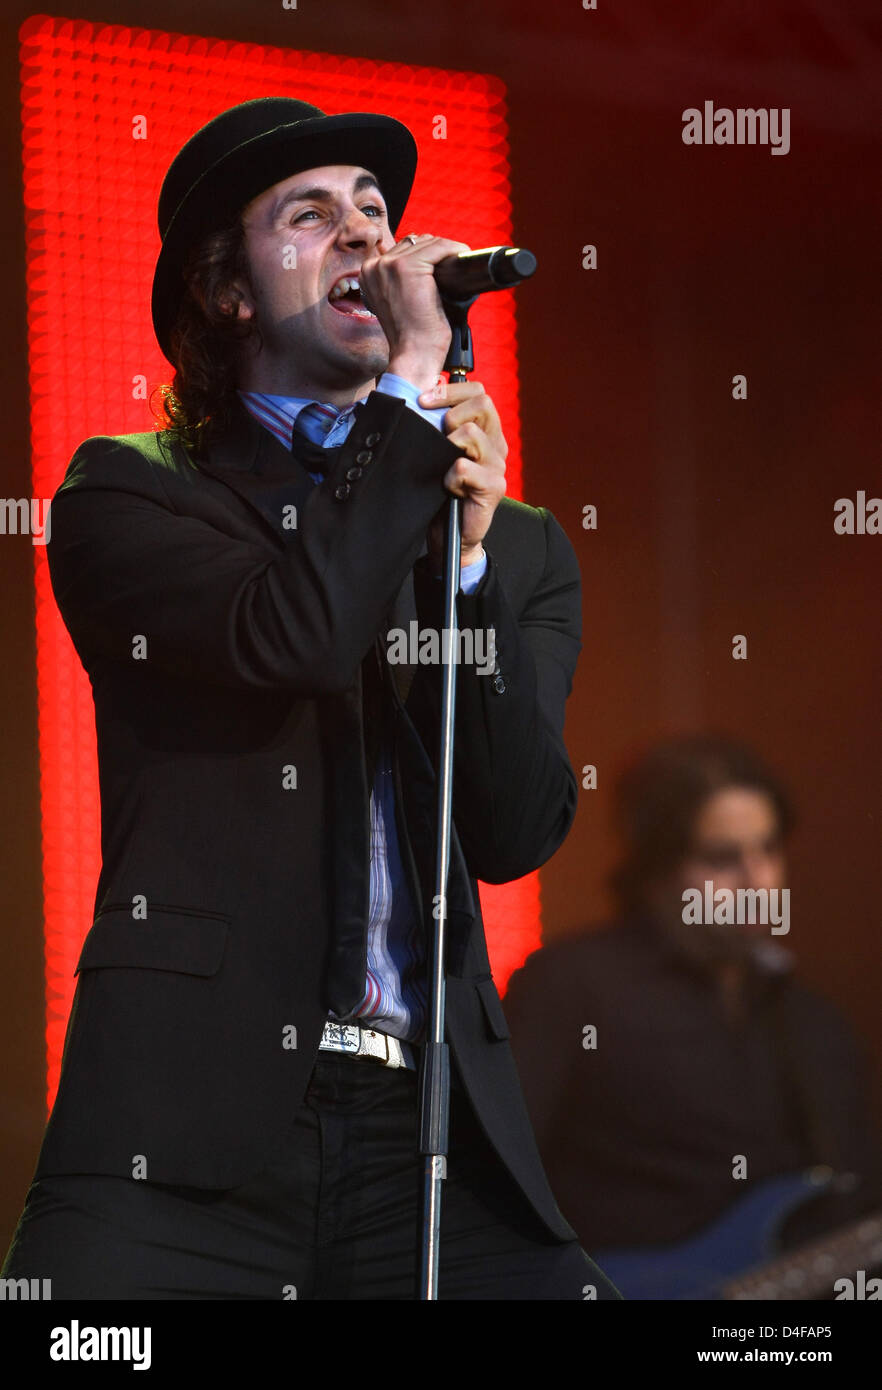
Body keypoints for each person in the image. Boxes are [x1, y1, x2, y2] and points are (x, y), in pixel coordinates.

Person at [1, 97, 619, 1300]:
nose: (365, 239)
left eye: (377, 212)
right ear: (232, 294)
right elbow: (294, 634)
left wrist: (470, 568)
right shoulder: (133, 493)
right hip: (184, 1137)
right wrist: (405, 401)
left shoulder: (517, 547)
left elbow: (514, 828)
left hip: (434, 1137)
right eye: (312, 214)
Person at [505, 734, 882, 1296]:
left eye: (769, 849)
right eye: (722, 859)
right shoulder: (570, 987)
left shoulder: (813, 1024)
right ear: (656, 872)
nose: (759, 882)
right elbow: (495, 1184)